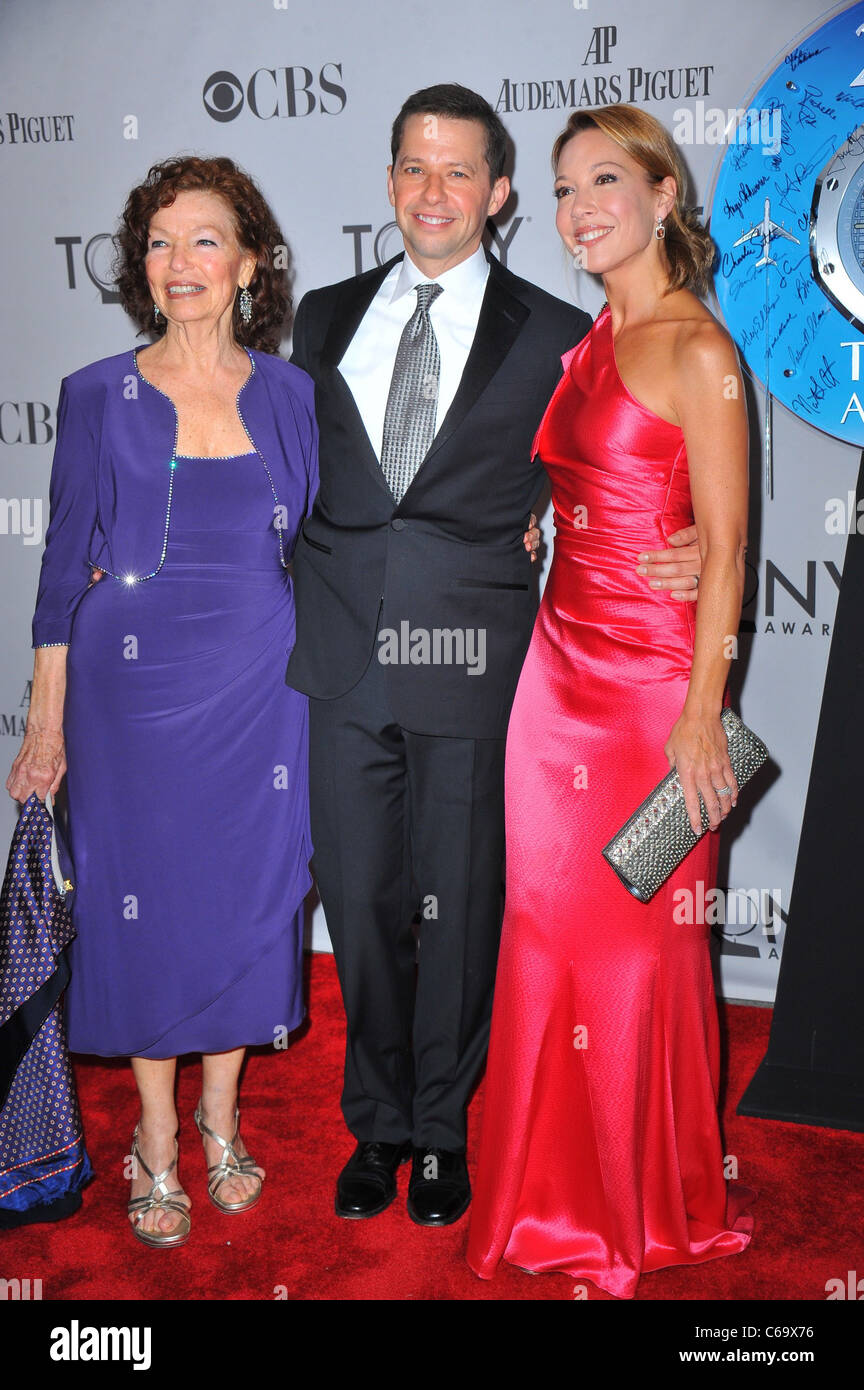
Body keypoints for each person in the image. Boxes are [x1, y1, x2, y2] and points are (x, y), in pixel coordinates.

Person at [286, 84, 702, 1226]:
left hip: (477, 660)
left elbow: (629, 460)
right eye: (414, 167)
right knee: (362, 906)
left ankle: (438, 1130)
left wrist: (703, 538)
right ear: (388, 181)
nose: (434, 191)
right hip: (337, 658)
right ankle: (375, 1120)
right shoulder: (320, 318)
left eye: (459, 171)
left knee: (456, 907)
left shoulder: (565, 336)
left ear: (499, 192)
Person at [466, 105, 753, 1296]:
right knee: (543, 936)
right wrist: (559, 516)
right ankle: (542, 1193)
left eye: (607, 181)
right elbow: (584, 480)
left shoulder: (701, 351)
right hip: (554, 686)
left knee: (641, 951)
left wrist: (701, 711)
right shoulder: (592, 336)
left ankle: (636, 1207)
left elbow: (729, 551)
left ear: (663, 196)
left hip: (649, 701)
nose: (582, 207)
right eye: (566, 186)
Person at [6, 156, 318, 1247]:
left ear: (246, 264)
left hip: (262, 683)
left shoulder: (290, 393)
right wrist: (46, 723)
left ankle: (224, 1121)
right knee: (145, 906)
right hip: (128, 691)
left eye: (203, 240)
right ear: (140, 267)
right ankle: (154, 1137)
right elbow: (61, 569)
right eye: (158, 242)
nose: (179, 262)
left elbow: (332, 536)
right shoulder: (99, 391)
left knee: (245, 902)